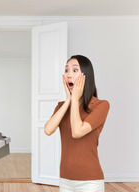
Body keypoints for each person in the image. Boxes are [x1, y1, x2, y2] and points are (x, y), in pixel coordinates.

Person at [44, 55, 110, 192]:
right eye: (66, 70)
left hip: (90, 181)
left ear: (86, 76)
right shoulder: (62, 107)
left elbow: (77, 132)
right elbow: (48, 130)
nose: (69, 75)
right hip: (65, 179)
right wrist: (68, 100)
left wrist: (74, 100)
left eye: (75, 70)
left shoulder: (100, 105)